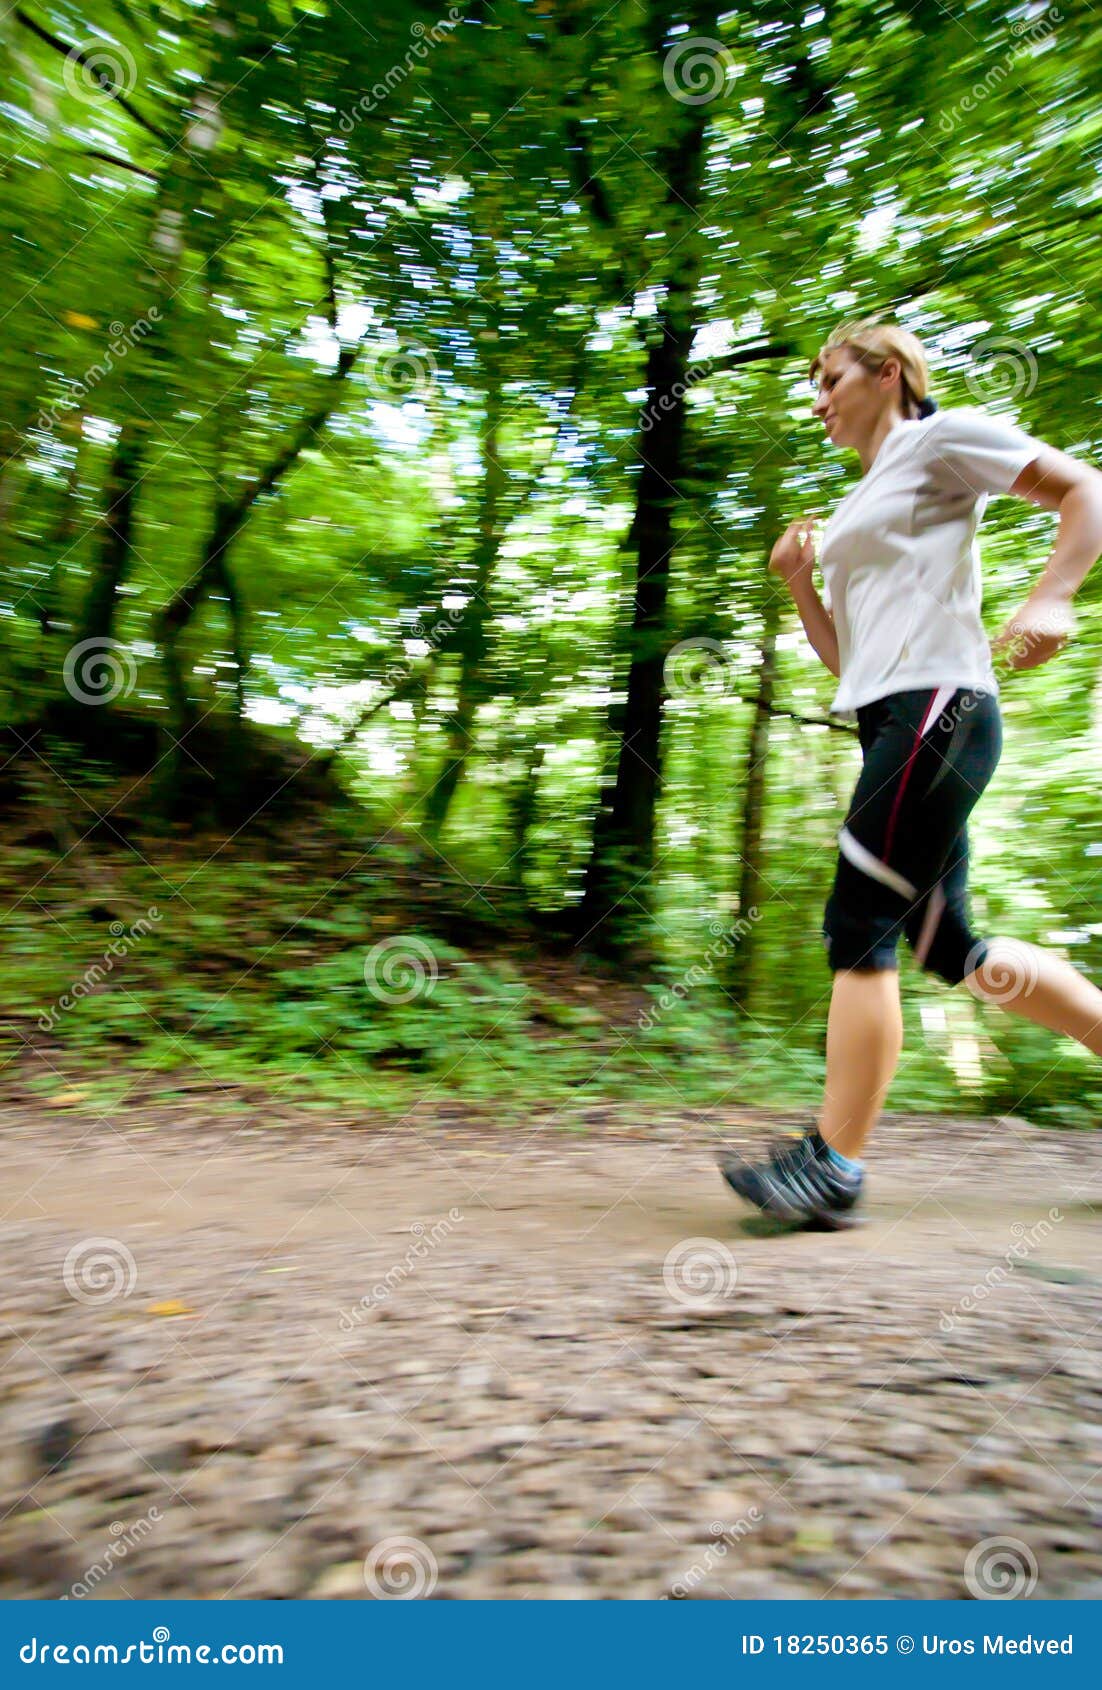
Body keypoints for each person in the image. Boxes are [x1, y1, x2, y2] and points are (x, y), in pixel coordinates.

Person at [720, 317, 1102, 1229]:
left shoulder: (941, 439)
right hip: (890, 716)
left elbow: (1084, 487)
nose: (816, 399)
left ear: (888, 373)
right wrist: (798, 583)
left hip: (946, 708)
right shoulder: (856, 506)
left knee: (860, 914)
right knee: (947, 947)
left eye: (828, 378)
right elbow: (845, 661)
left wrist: (1053, 595)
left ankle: (835, 1164)